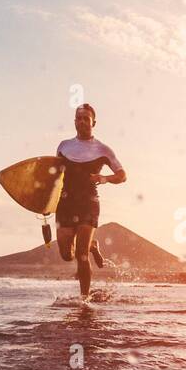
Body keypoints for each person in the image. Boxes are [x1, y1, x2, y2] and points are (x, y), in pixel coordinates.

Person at [56, 103, 126, 298]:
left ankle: (84, 300)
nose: (82, 122)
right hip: (66, 202)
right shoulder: (63, 147)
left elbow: (122, 175)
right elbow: (55, 177)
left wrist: (103, 179)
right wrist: (44, 202)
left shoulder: (103, 149)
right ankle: (93, 246)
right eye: (79, 118)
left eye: (86, 118)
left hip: (89, 202)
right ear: (74, 122)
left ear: (93, 122)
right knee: (66, 254)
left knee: (81, 255)